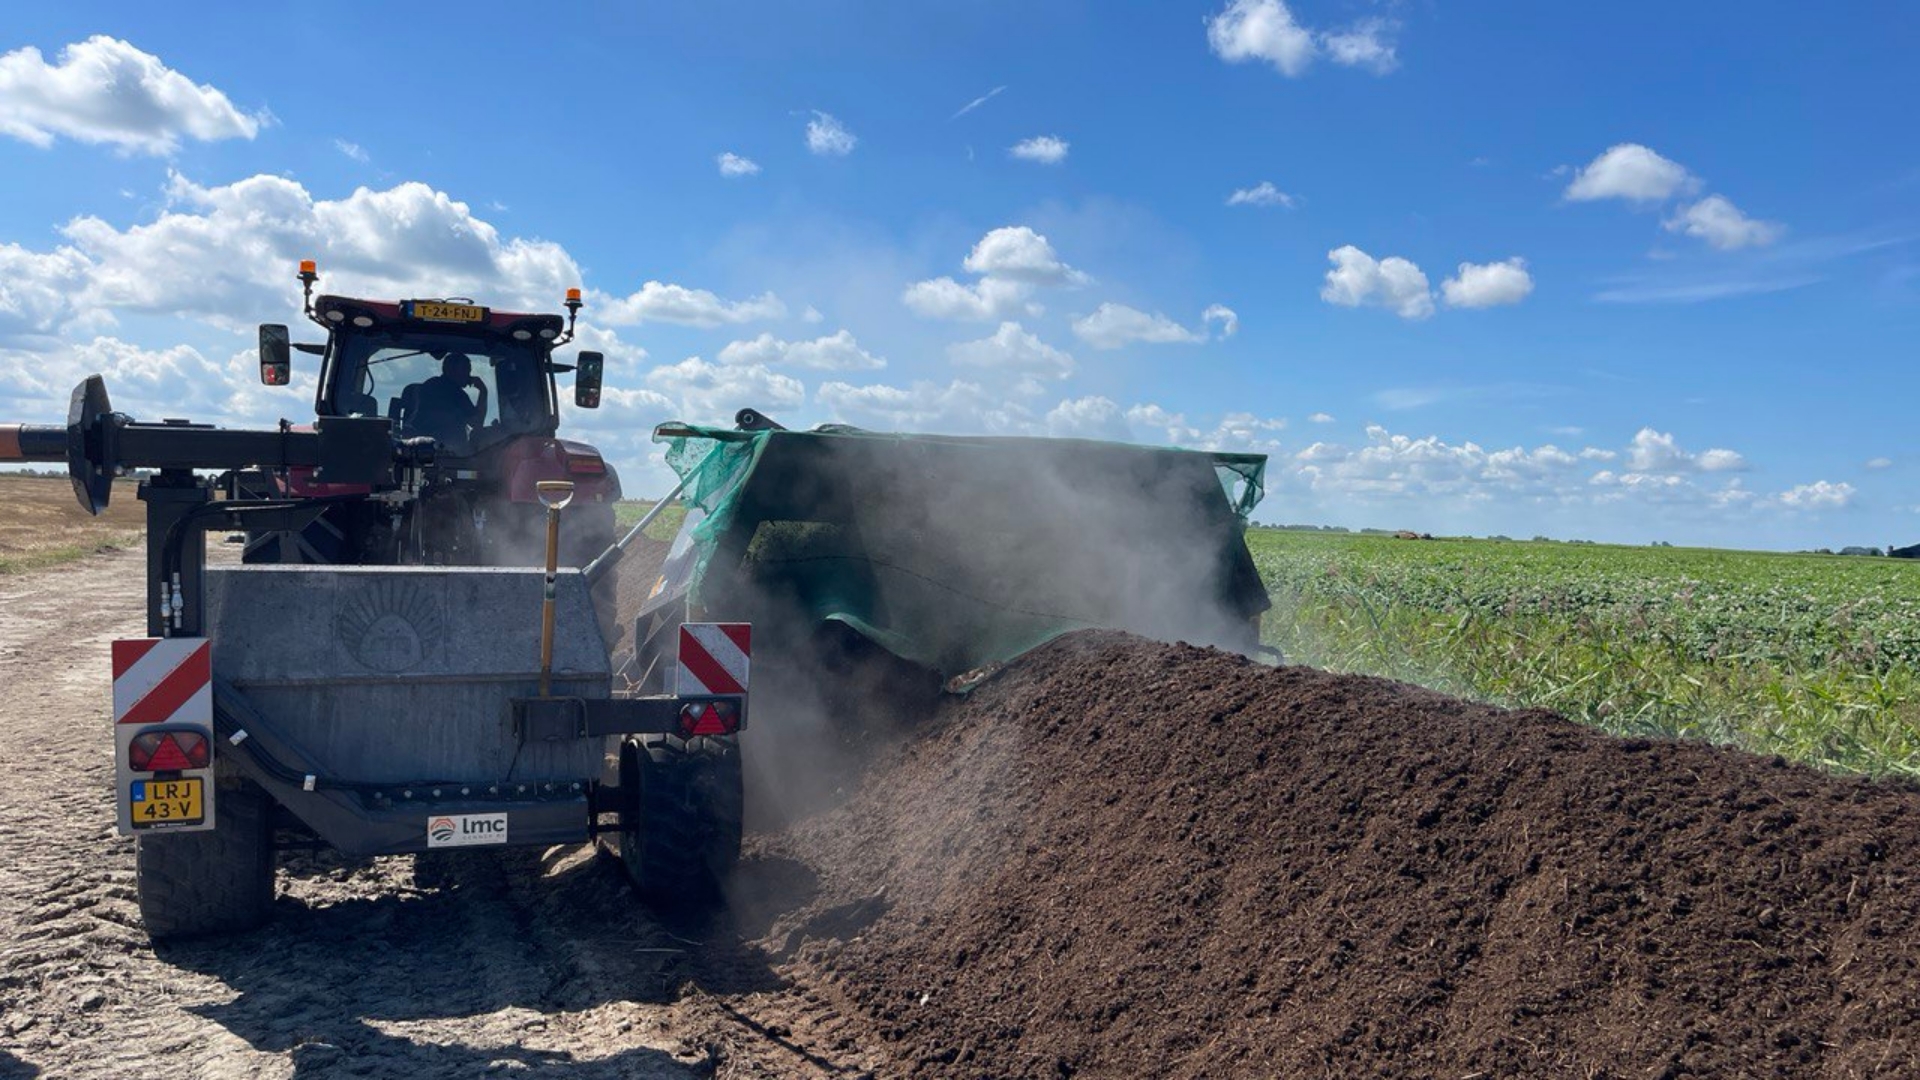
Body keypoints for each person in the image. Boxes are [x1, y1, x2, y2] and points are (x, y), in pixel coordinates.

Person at [406, 353, 488, 448]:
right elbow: (477, 423)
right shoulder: (455, 393)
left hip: (422, 447)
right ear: (451, 370)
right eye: (465, 370)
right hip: (449, 451)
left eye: (468, 371)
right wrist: (483, 391)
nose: (468, 375)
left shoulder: (430, 385)